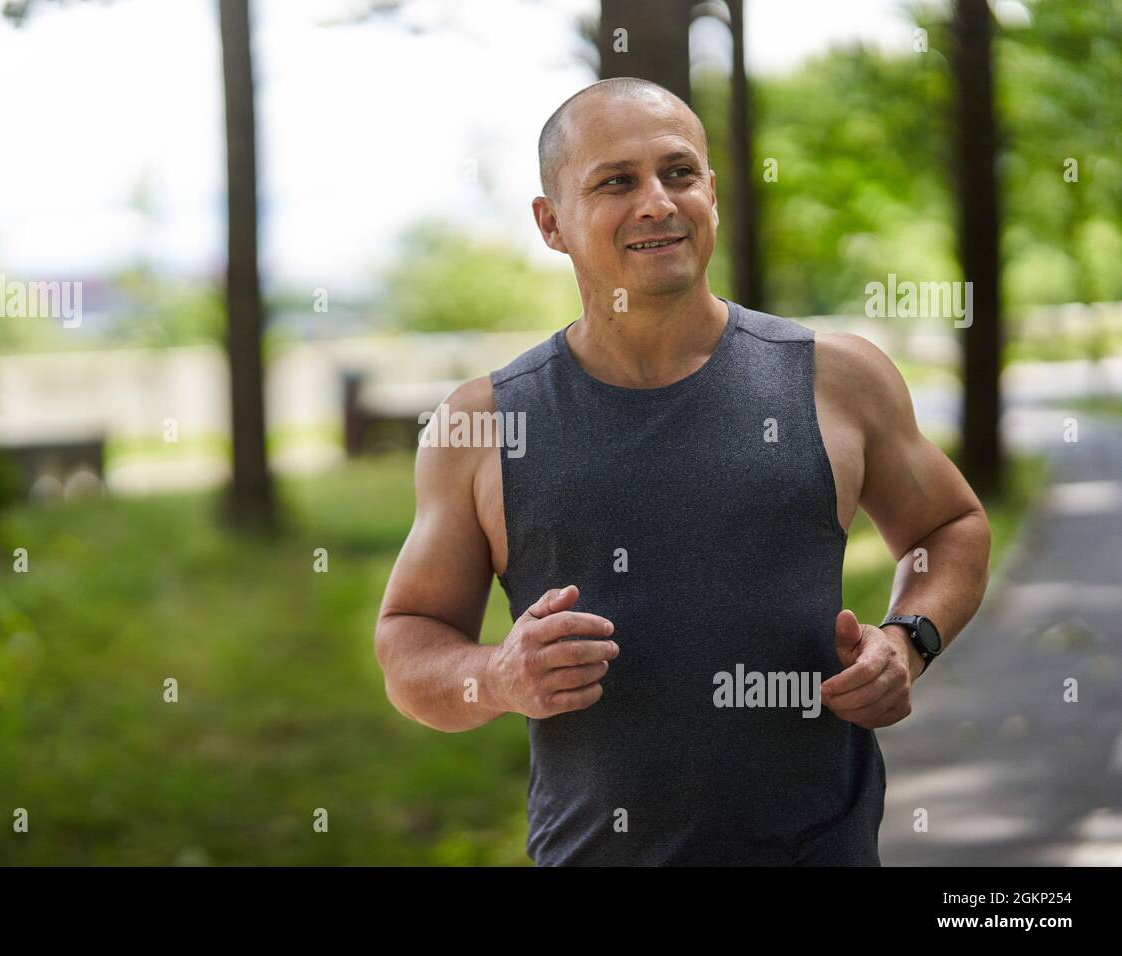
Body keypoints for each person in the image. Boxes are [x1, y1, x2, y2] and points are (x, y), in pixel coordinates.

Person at [374, 77, 992, 865]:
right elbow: (408, 640)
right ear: (550, 222)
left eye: (679, 172)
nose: (658, 203)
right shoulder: (485, 423)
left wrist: (907, 640)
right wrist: (496, 676)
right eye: (616, 182)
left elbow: (951, 526)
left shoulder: (835, 378)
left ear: (712, 193)